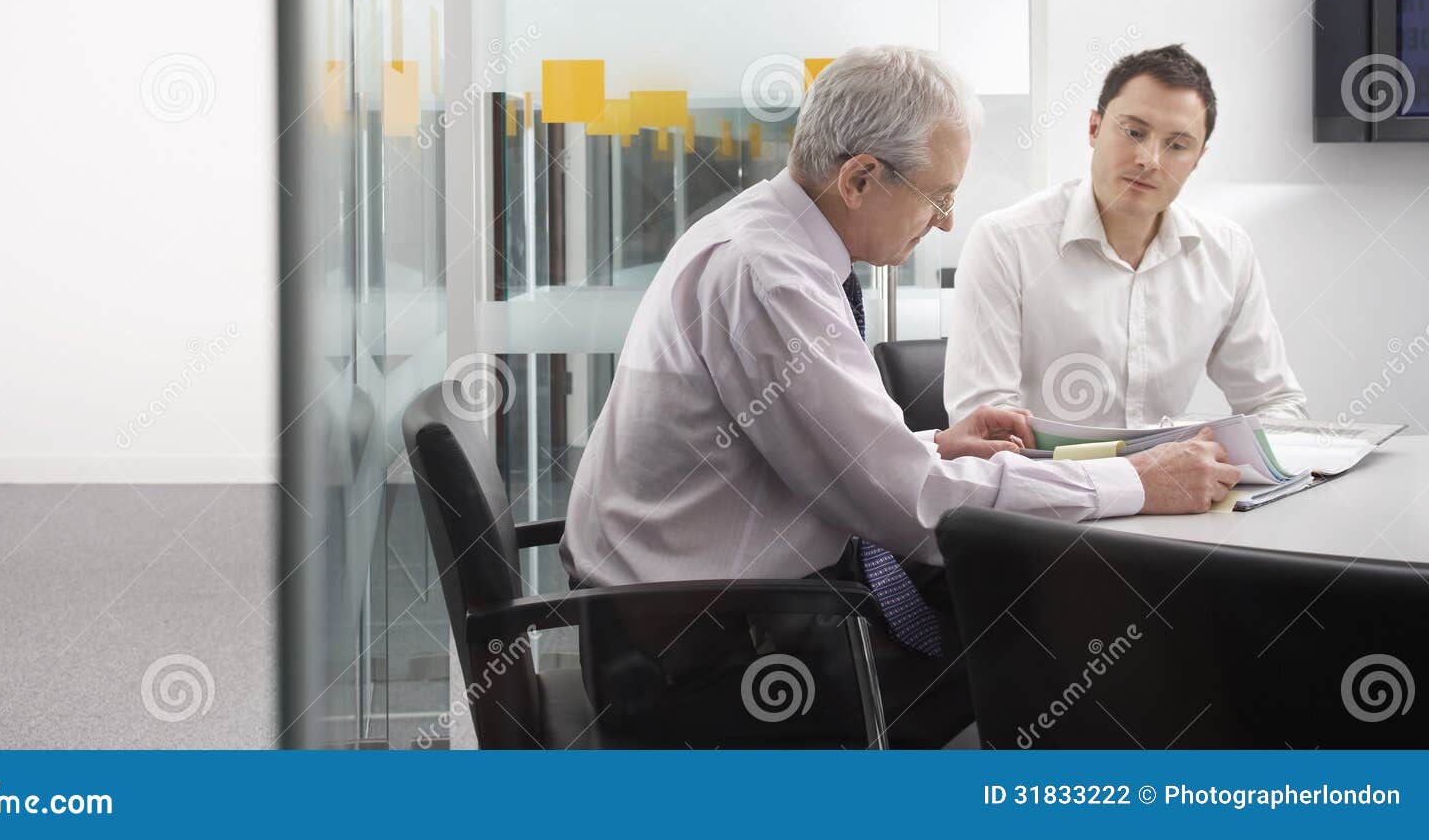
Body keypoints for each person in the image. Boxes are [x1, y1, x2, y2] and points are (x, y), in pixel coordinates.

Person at [559, 45, 1241, 747]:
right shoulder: (769, 276)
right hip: (705, 655)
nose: (946, 221)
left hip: (708, 610)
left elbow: (823, 455)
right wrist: (1133, 480)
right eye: (938, 195)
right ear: (860, 178)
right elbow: (907, 505)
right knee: (1056, 660)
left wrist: (935, 444)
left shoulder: (770, 238)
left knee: (1026, 626)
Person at [945, 44, 1307, 429]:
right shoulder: (1006, 242)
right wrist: (1129, 479)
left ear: (1199, 157)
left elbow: (1276, 402)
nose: (1149, 160)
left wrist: (1227, 456)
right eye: (1134, 132)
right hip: (1049, 483)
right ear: (1094, 128)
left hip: (1177, 483)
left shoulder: (1226, 251)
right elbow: (982, 427)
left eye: (1178, 145)